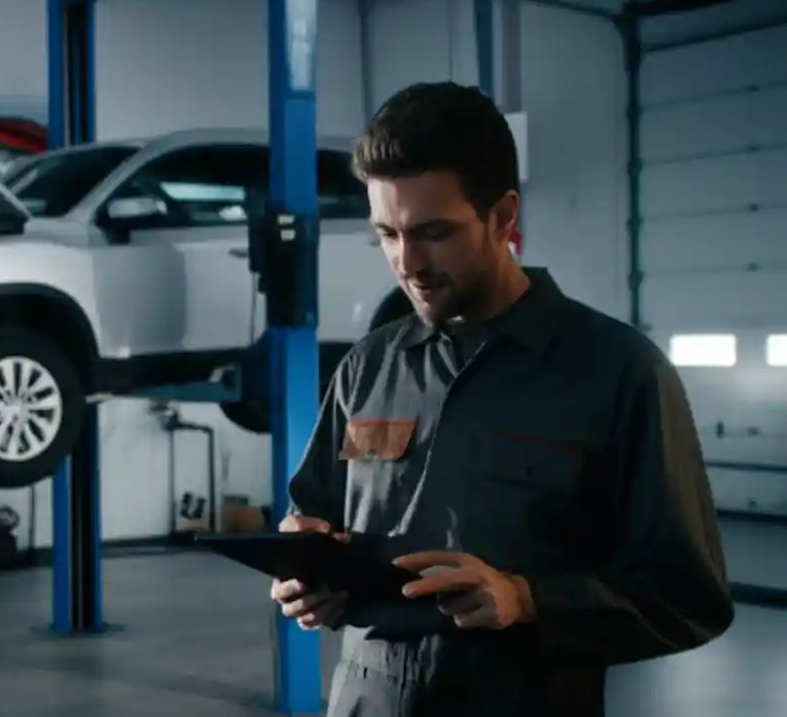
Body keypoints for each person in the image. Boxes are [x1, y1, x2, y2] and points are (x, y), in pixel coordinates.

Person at [269, 82, 734, 717]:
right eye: (387, 233)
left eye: (435, 232)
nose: (408, 262)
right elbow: (314, 513)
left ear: (503, 216)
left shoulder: (619, 372)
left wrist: (527, 598)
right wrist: (306, 564)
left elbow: (688, 598)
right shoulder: (368, 366)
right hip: (366, 699)